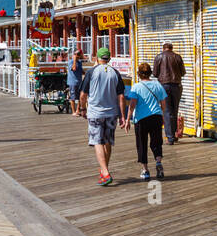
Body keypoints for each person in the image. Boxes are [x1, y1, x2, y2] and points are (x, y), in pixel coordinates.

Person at [79, 47, 127, 186]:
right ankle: (104, 170)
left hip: (95, 113)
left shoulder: (92, 72)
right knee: (107, 141)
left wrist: (82, 108)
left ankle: (105, 172)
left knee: (97, 141)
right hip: (112, 113)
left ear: (97, 59)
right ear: (109, 58)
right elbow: (121, 96)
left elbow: (83, 95)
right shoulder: (115, 73)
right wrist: (123, 116)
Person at [123, 63, 169, 180]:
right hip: (156, 117)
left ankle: (145, 170)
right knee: (156, 141)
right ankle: (158, 163)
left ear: (139, 74)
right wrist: (162, 115)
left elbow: (132, 105)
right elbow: (164, 104)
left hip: (141, 119)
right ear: (150, 73)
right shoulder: (158, 85)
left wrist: (128, 119)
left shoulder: (136, 87)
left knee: (142, 143)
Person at [152, 42, 186, 144]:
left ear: (163, 49)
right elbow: (183, 72)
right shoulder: (177, 57)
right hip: (176, 86)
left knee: (166, 111)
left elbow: (155, 73)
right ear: (172, 48)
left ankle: (170, 137)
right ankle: (174, 135)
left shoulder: (159, 57)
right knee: (175, 110)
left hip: (163, 86)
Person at [67, 47, 86, 116]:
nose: (79, 56)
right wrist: (74, 60)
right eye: (78, 54)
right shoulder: (71, 62)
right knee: (73, 97)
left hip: (79, 81)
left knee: (80, 97)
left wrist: (87, 74)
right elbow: (74, 68)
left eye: (79, 54)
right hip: (73, 82)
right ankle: (73, 111)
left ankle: (78, 110)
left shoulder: (80, 62)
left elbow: (81, 71)